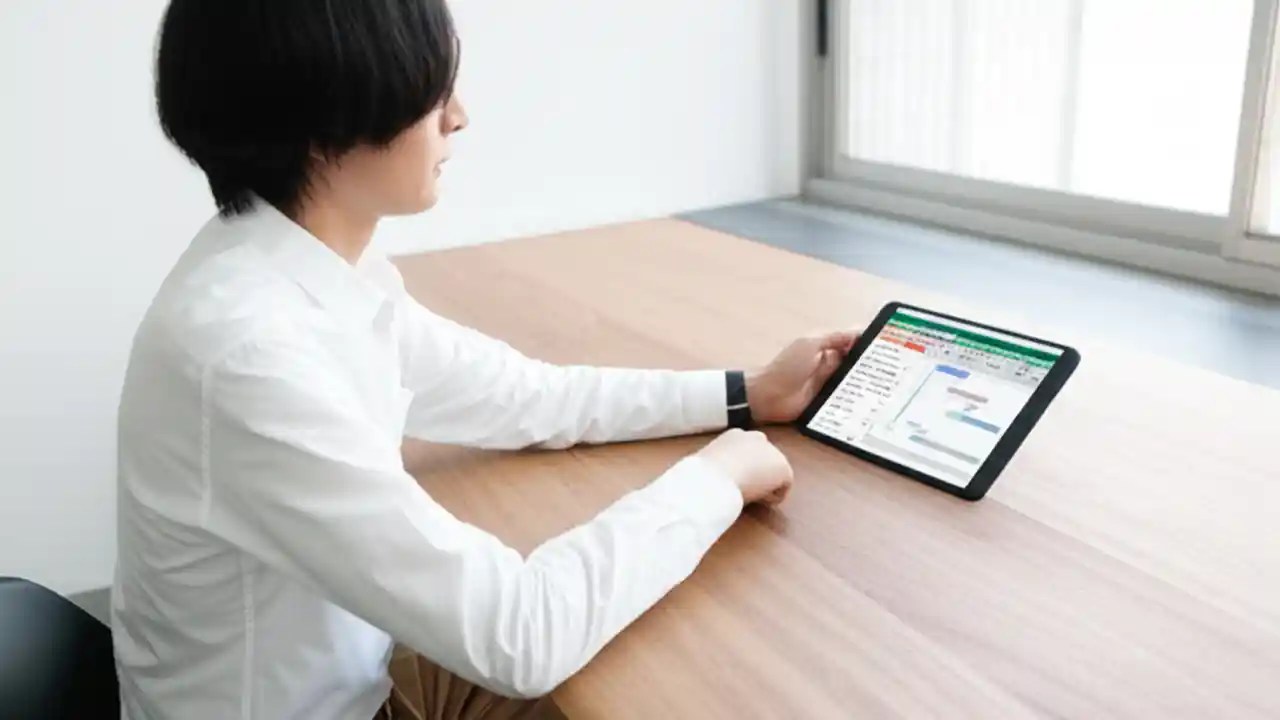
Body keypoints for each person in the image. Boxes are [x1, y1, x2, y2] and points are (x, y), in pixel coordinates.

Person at [111, 1, 858, 718]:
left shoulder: (310, 276)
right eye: (430, 91)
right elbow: (519, 635)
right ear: (324, 124)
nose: (458, 116)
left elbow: (530, 397)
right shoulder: (248, 356)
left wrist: (746, 393)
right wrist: (716, 478)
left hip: (354, 678)